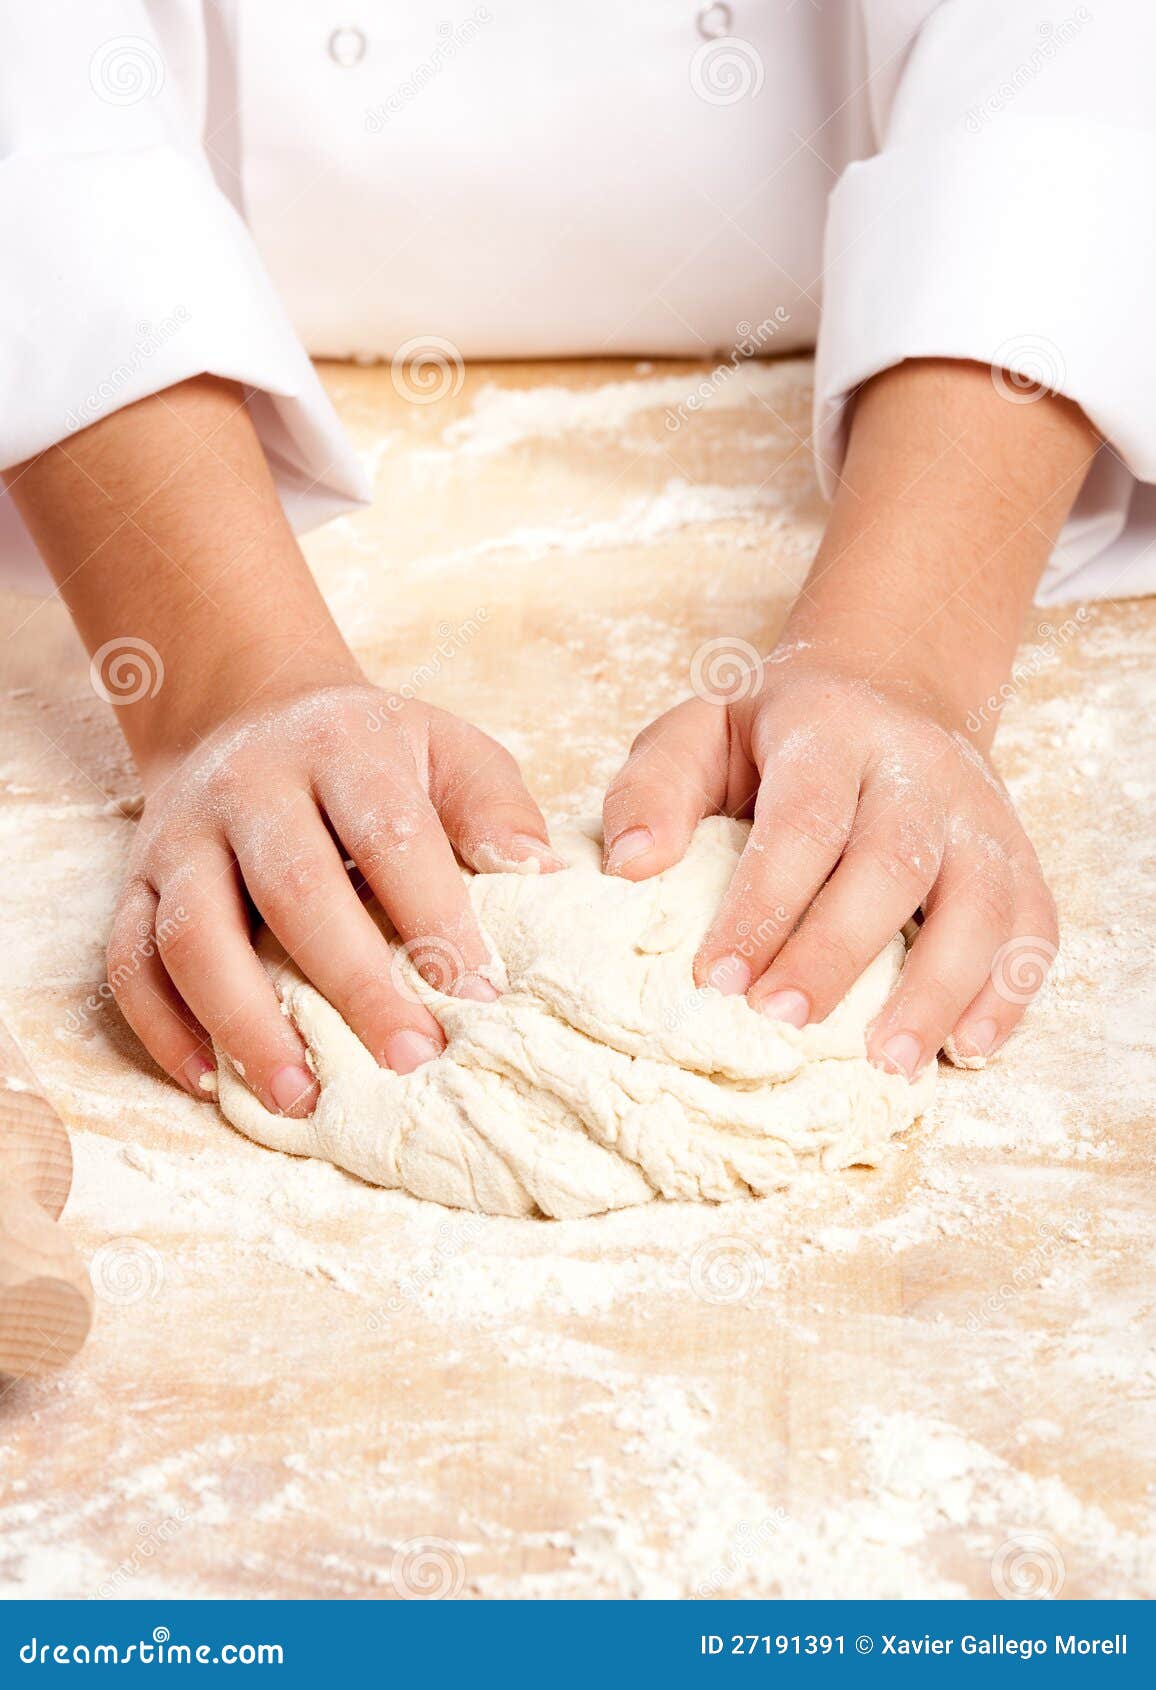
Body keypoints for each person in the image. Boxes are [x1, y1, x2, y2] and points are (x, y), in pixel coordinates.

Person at [2, 2, 1152, 1120]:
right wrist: (219, 682)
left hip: (914, 318)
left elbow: (1063, 50)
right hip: (175, 330)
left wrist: (906, 650)